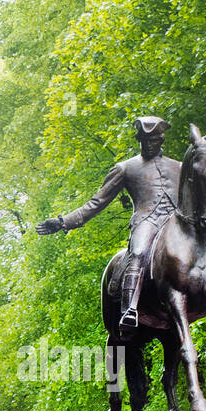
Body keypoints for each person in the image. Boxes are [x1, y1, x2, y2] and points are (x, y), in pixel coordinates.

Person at [37, 116, 181, 335]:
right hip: (147, 222)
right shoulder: (125, 168)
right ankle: (129, 309)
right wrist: (63, 221)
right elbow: (96, 203)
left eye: (154, 139)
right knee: (139, 252)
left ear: (161, 139)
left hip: (177, 224)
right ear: (139, 139)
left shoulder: (178, 166)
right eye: (145, 139)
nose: (150, 144)